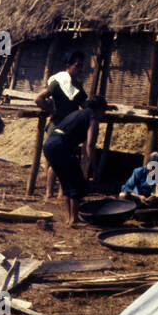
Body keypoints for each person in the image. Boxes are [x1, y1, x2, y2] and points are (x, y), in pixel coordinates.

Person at [43, 94, 106, 227]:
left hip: (50, 144)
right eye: (104, 110)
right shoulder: (92, 118)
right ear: (99, 109)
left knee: (67, 183)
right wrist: (94, 169)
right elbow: (89, 145)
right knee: (76, 183)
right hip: (61, 146)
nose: (103, 114)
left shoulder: (78, 113)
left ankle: (70, 218)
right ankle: (74, 219)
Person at [34, 51, 87, 199]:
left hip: (71, 129)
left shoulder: (77, 86)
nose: (80, 69)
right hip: (57, 127)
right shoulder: (59, 83)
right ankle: (49, 193)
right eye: (77, 66)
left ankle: (61, 193)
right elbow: (38, 99)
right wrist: (52, 111)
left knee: (67, 161)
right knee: (55, 162)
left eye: (82, 66)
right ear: (69, 66)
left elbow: (84, 103)